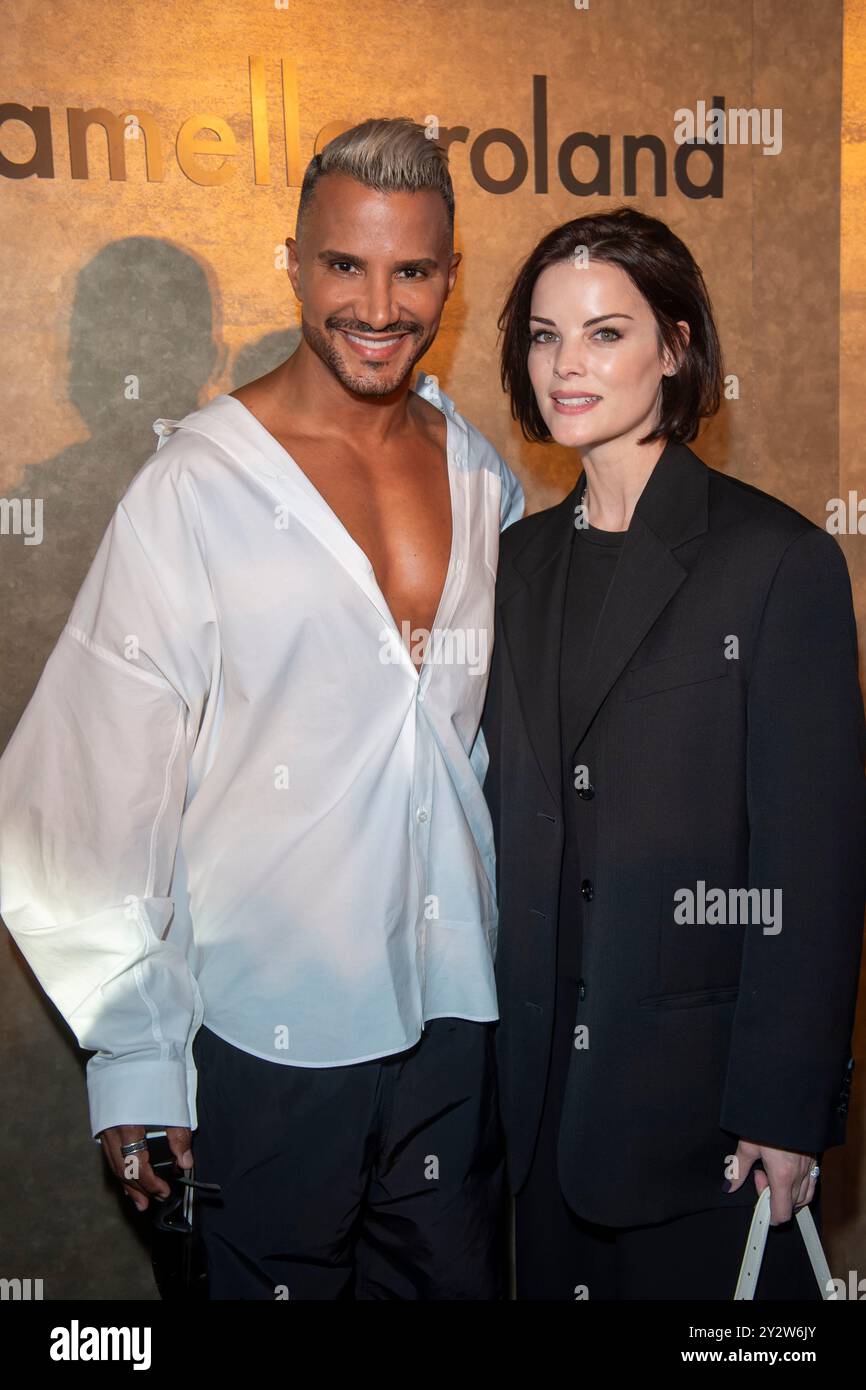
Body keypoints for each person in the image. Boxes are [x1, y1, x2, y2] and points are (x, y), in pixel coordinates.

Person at [0, 118, 523, 1300]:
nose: (377, 306)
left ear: (450, 274)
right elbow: (84, 784)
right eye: (344, 265)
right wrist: (136, 1051)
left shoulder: (479, 472)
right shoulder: (196, 486)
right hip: (263, 1038)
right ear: (291, 263)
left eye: (411, 270)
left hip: (453, 1023)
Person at [482, 206, 866, 1300]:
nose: (566, 363)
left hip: (701, 1113)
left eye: (605, 333)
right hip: (535, 1103)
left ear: (675, 347)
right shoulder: (512, 565)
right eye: (545, 335)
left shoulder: (774, 561)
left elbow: (811, 863)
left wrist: (783, 1104)